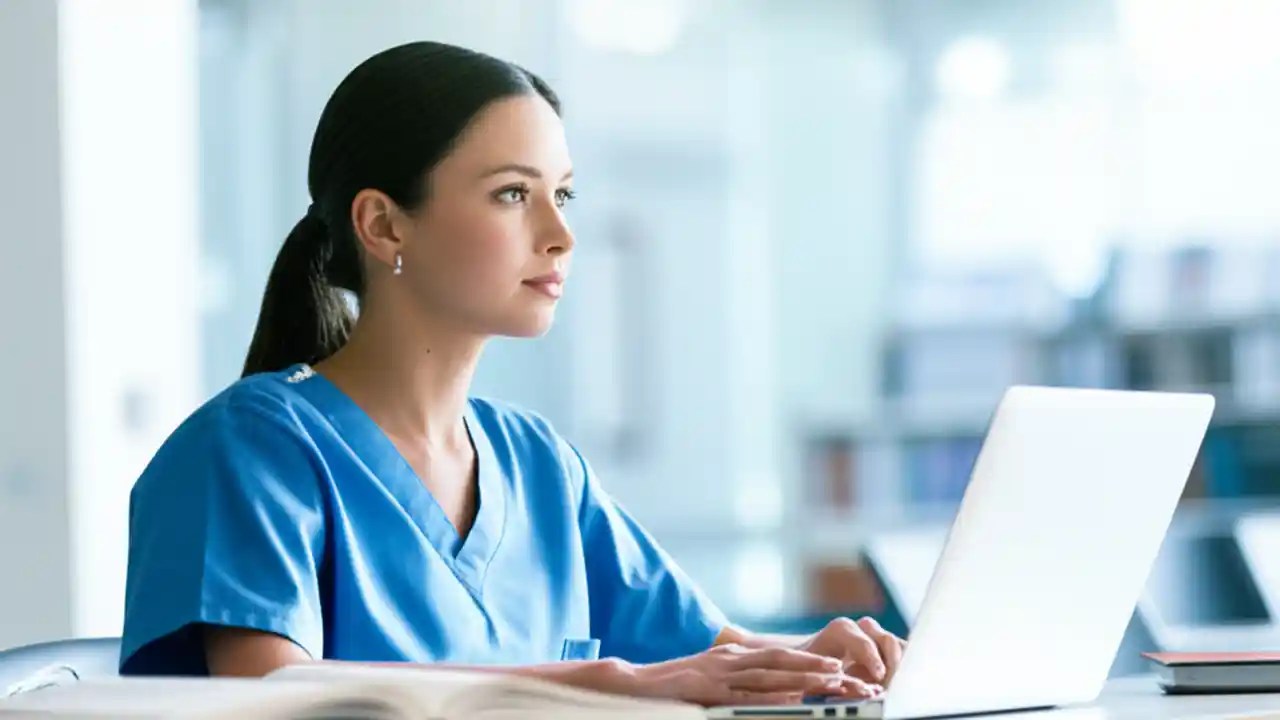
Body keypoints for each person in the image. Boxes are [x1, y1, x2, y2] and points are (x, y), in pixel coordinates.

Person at [119, 41, 904, 708]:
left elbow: (715, 657)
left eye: (562, 194)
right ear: (384, 223)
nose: (561, 234)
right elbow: (273, 698)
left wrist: (825, 658)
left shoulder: (537, 465)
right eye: (512, 194)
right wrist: (605, 683)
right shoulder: (251, 447)